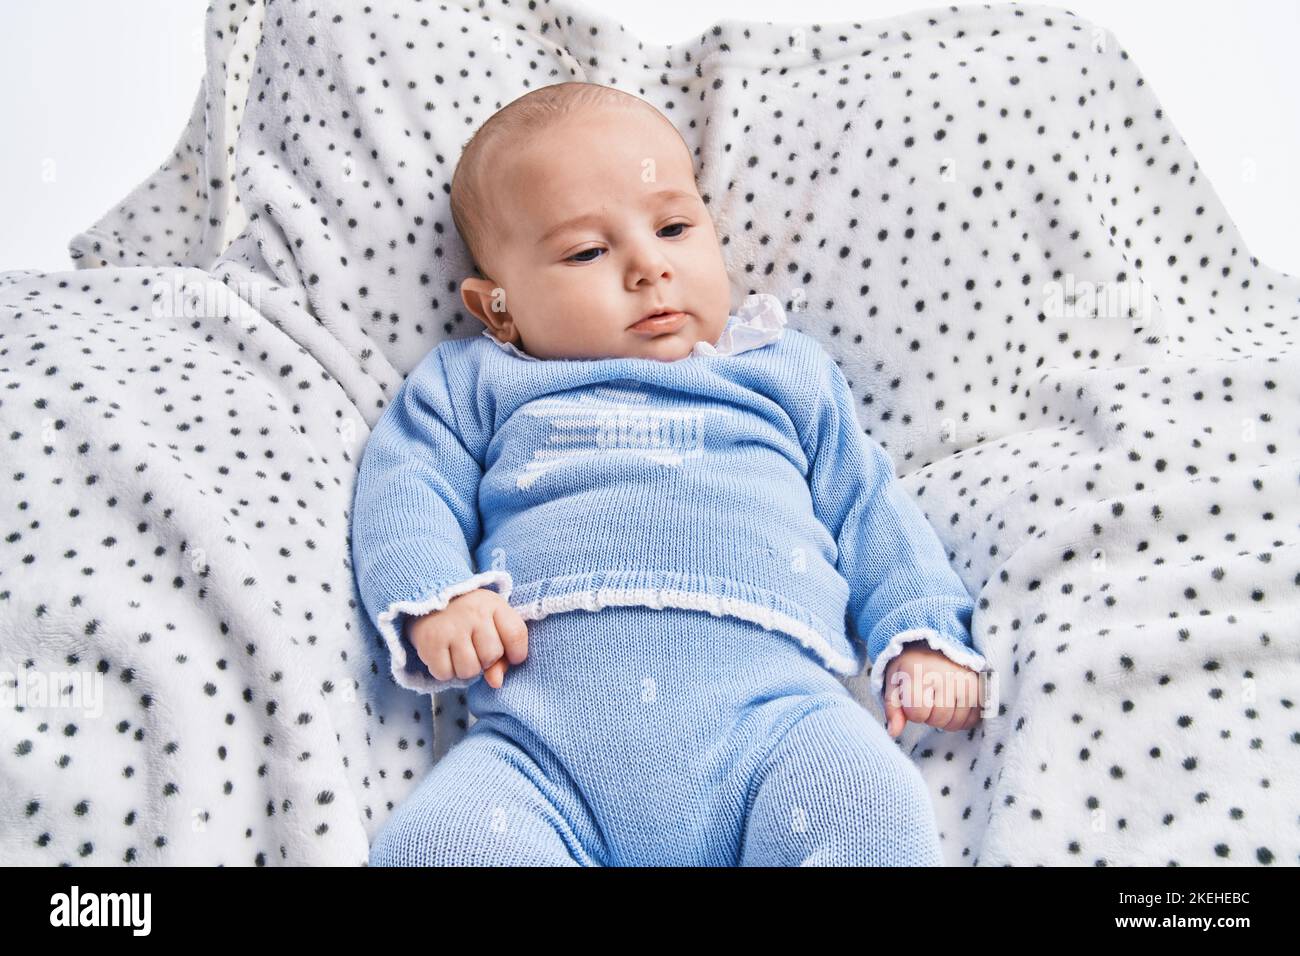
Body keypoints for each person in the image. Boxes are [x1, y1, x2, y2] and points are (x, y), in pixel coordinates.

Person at [352, 82, 991, 866]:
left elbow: (867, 505)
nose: (649, 267)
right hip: (542, 755)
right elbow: (407, 482)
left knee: (870, 799)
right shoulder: (478, 383)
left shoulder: (780, 372)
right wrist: (435, 598)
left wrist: (919, 633)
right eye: (589, 251)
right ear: (498, 310)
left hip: (778, 725)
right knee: (436, 846)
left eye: (675, 227)